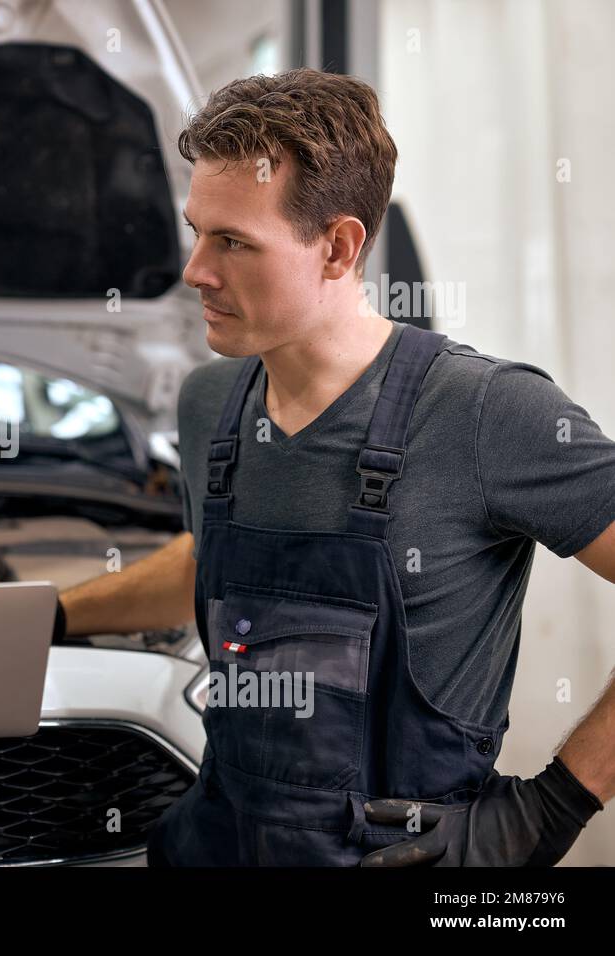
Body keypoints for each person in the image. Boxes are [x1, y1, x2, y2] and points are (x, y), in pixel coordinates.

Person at [55, 69, 613, 866]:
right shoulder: (211, 403)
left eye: (235, 243)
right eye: (197, 232)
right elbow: (208, 560)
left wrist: (550, 809)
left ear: (340, 247)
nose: (196, 272)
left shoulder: (487, 413)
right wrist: (52, 619)